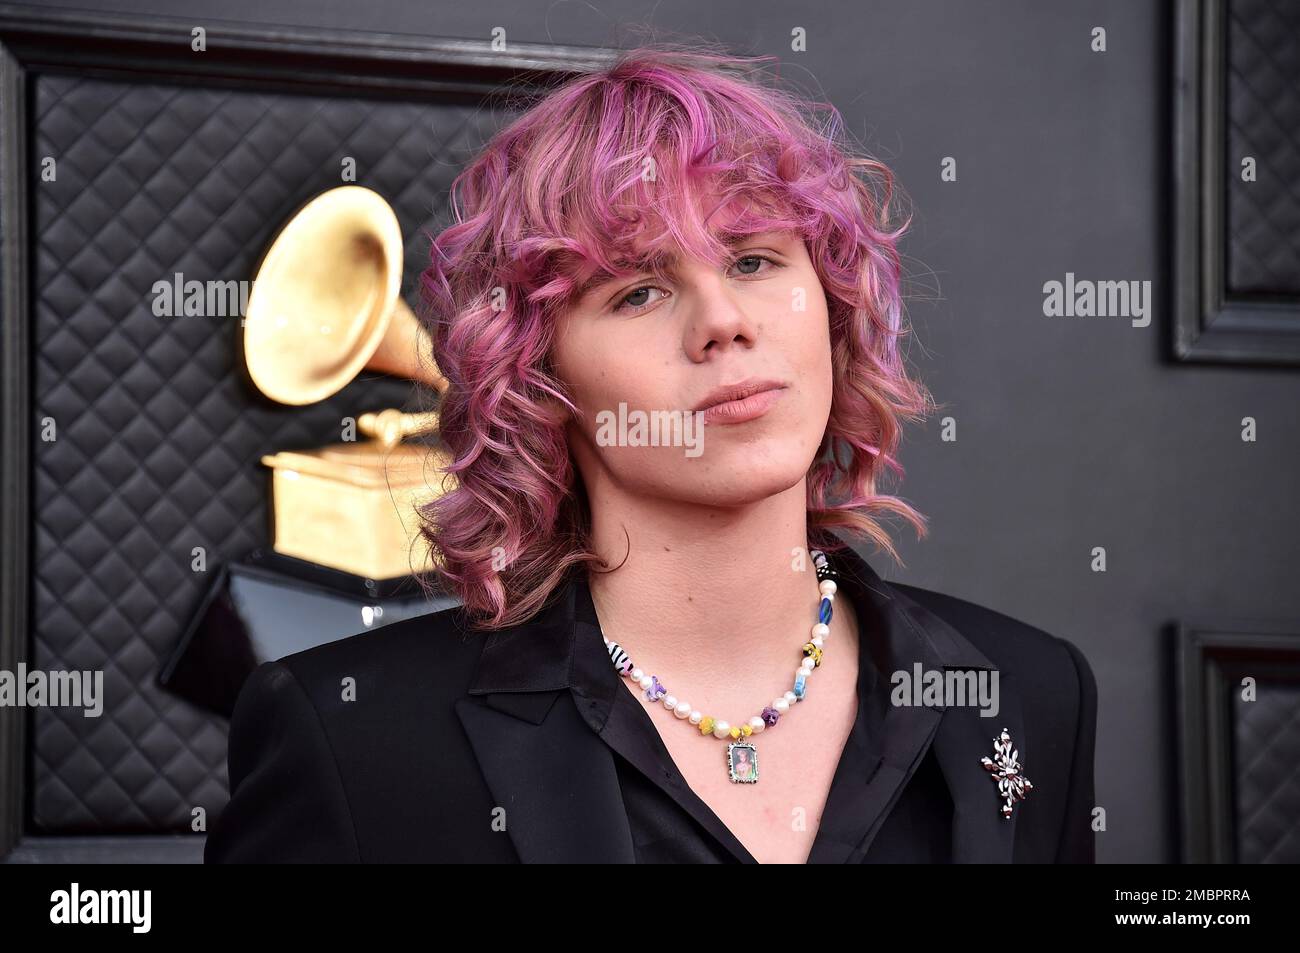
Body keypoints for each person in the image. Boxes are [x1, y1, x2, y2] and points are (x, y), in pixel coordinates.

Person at [205, 43, 1097, 864]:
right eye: (638, 291)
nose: (722, 323)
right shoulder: (348, 737)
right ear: (536, 375)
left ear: (831, 308)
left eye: (752, 260)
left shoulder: (1033, 688)